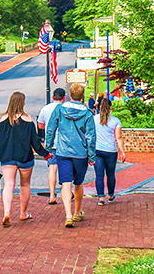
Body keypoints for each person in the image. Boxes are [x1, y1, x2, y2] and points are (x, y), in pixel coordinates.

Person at [0, 91, 50, 228]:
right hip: (25, 157)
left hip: (7, 157)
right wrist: (45, 154)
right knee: (25, 185)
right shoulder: (28, 120)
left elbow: (0, 141)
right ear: (22, 103)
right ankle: (23, 213)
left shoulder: (3, 120)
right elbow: (35, 143)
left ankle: (6, 213)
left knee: (8, 185)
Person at [45, 83, 96, 228]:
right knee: (78, 183)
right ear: (83, 96)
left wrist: (48, 147)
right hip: (80, 153)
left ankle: (68, 215)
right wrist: (91, 156)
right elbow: (91, 136)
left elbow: (50, 129)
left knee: (66, 183)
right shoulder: (87, 113)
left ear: (70, 95)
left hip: (63, 151)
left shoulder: (60, 109)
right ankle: (77, 212)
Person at [94, 98, 126, 205]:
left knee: (99, 175)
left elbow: (88, 135)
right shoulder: (115, 121)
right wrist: (122, 151)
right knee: (110, 174)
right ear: (110, 108)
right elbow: (118, 137)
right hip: (111, 151)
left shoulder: (94, 119)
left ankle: (101, 198)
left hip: (97, 150)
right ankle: (111, 195)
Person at [37, 88, 65, 204]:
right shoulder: (65, 109)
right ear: (63, 98)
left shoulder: (45, 109)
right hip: (64, 143)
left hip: (52, 143)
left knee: (52, 169)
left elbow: (40, 125)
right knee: (65, 169)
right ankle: (66, 192)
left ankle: (52, 195)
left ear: (53, 97)